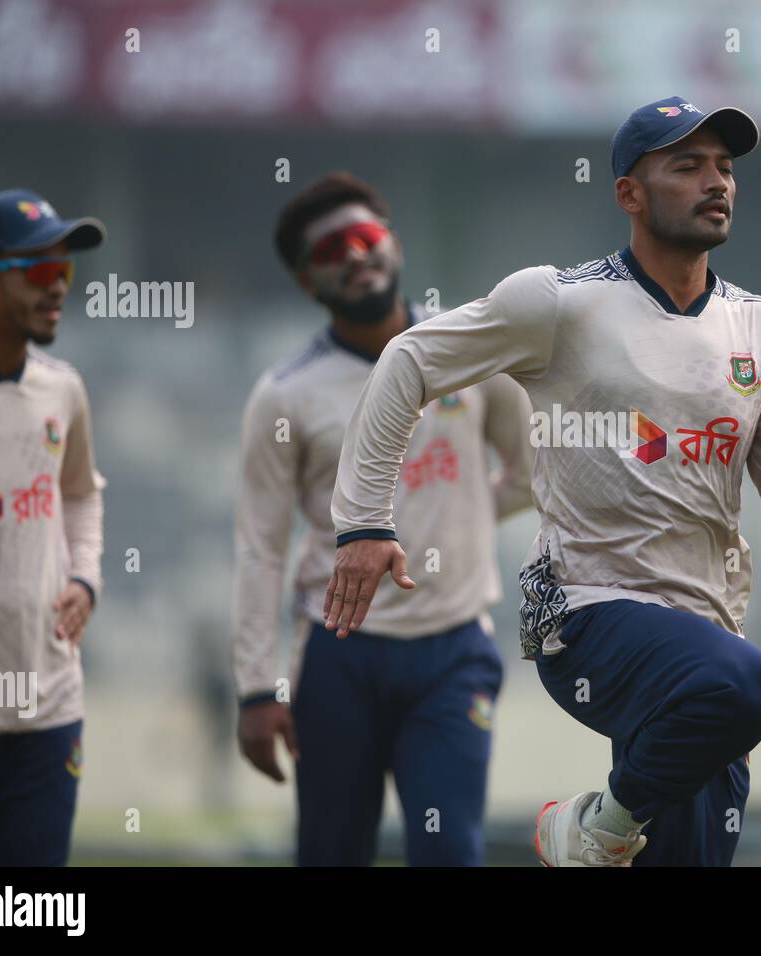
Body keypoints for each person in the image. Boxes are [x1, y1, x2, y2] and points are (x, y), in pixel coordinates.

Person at [324, 97, 761, 866]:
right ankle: (593, 828)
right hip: (585, 614)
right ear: (628, 194)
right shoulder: (558, 304)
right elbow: (409, 360)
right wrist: (366, 523)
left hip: (704, 638)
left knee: (700, 819)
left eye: (725, 168)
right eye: (687, 165)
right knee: (753, 689)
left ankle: (607, 825)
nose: (717, 182)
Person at [232, 172, 534, 866]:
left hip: (453, 652)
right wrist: (255, 686)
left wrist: (457, 520)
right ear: (308, 282)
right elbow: (259, 549)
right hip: (340, 658)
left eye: (366, 237)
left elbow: (532, 472)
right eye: (331, 248)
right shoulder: (284, 397)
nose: (355, 255)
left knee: (449, 851)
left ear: (393, 244)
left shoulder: (473, 351)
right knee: (332, 853)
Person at [0, 189, 107, 866]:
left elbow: (82, 496)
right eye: (38, 271)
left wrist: (86, 577)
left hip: (49, 708)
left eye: (64, 270)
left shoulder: (64, 388)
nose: (58, 287)